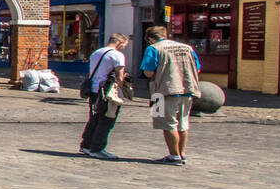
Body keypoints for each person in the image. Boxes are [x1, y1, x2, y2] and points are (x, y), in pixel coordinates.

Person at [140, 24, 202, 165]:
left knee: (167, 123)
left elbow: (148, 72)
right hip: (187, 89)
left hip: (164, 90)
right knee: (183, 122)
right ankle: (182, 153)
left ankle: (174, 156)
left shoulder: (154, 48)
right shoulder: (187, 48)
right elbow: (197, 68)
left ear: (150, 38)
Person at [79, 33, 129, 159]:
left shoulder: (96, 53)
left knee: (94, 118)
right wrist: (125, 87)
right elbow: (119, 76)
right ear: (119, 42)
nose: (123, 48)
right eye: (124, 45)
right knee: (107, 120)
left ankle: (86, 145)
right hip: (107, 92)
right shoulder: (117, 55)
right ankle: (97, 148)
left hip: (94, 90)